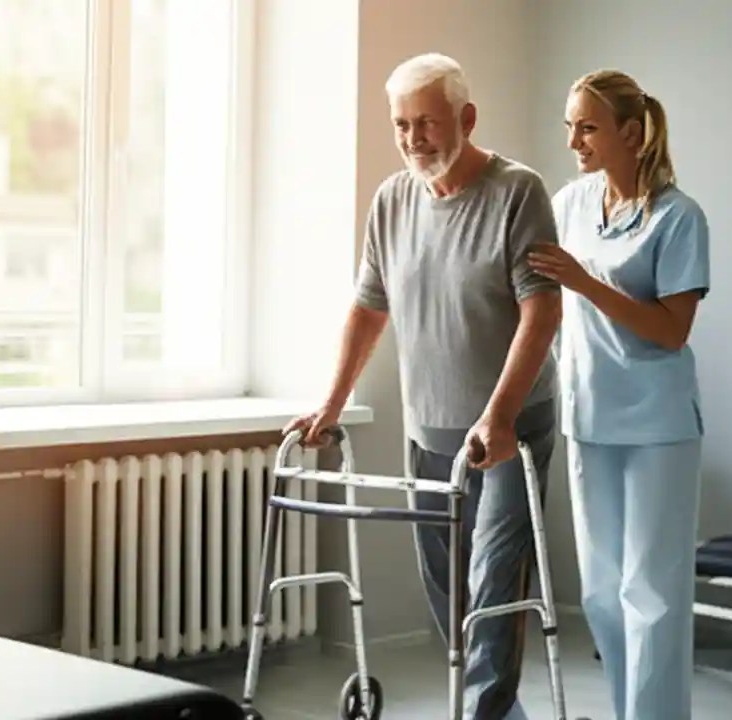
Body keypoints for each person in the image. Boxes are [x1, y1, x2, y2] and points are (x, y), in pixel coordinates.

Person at [284, 53, 562, 719]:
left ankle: (481, 714)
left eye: (428, 124)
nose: (414, 140)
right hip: (428, 428)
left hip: (507, 430)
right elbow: (367, 308)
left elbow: (542, 311)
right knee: (447, 590)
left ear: (466, 119)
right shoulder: (392, 199)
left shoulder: (517, 192)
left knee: (493, 582)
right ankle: (497, 711)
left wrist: (498, 417)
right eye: (402, 125)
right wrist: (331, 404)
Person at [527, 69, 710, 720]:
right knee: (603, 593)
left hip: (658, 426)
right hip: (588, 415)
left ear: (630, 133)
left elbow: (670, 329)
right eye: (570, 125)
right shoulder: (568, 203)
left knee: (651, 592)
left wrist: (583, 280)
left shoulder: (679, 217)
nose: (573, 139)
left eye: (588, 126)